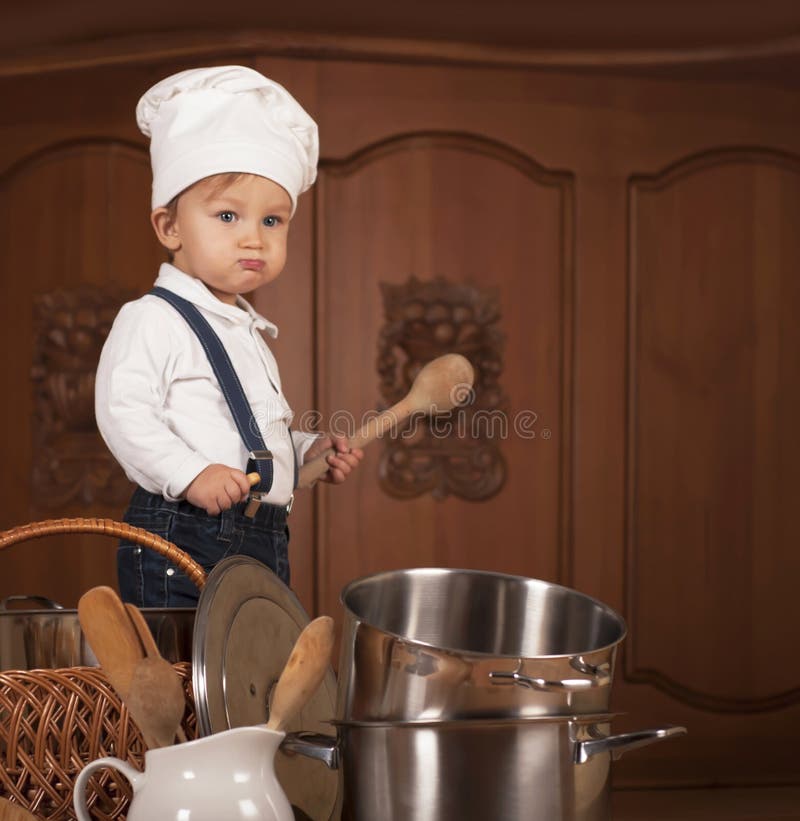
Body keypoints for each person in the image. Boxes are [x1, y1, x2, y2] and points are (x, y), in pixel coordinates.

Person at [95, 65, 363, 607]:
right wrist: (190, 473)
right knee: (180, 677)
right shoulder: (153, 318)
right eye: (226, 215)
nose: (254, 238)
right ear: (170, 227)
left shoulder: (247, 332)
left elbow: (246, 430)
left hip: (263, 535)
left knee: (246, 680)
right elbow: (122, 412)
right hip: (185, 531)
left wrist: (306, 449)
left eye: (272, 221)